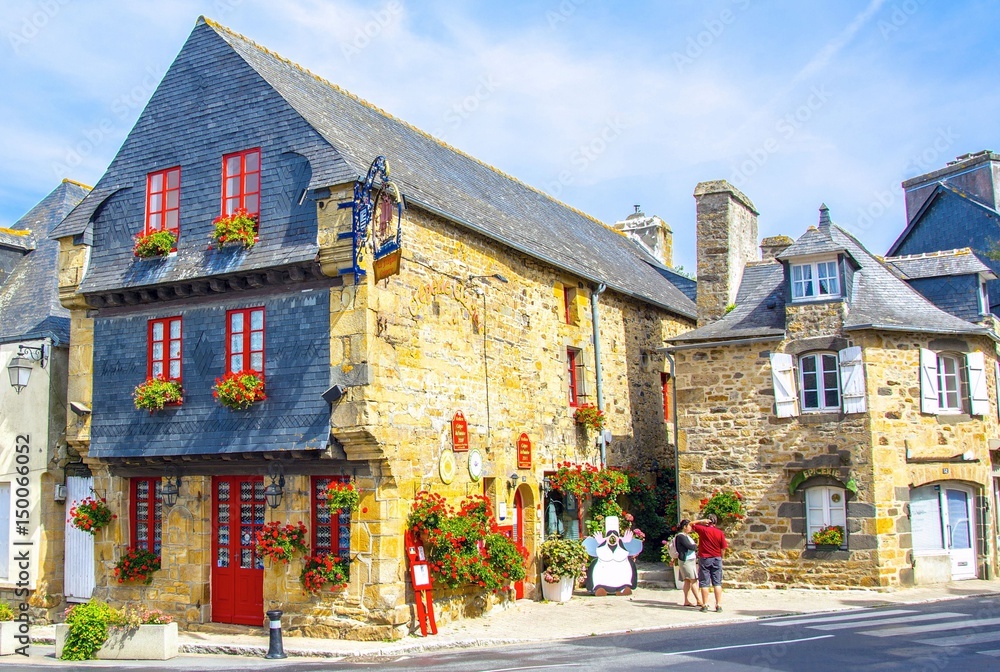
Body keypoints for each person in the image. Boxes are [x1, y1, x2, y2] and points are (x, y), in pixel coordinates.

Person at [691, 513, 728, 612]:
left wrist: (701, 521)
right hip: (717, 558)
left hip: (705, 558)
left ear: (707, 521)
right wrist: (721, 557)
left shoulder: (703, 530)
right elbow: (723, 548)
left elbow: (690, 524)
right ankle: (719, 605)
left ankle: (705, 604)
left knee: (704, 583)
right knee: (717, 583)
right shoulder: (719, 532)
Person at [673, 520, 702, 607]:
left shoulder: (686, 536)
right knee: (693, 580)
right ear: (685, 527)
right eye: (689, 526)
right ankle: (699, 600)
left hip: (690, 560)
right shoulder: (681, 536)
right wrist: (697, 545)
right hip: (686, 561)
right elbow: (691, 547)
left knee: (687, 581)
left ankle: (686, 600)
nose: (690, 528)